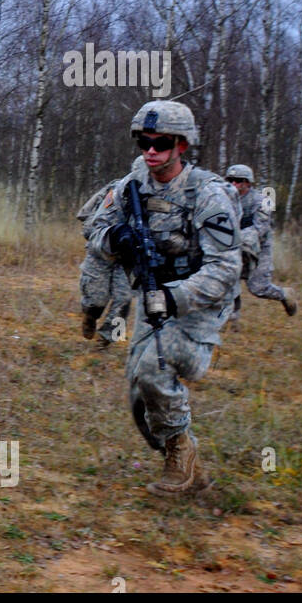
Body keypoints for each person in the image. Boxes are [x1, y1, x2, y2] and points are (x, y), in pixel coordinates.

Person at [86, 100, 241, 496]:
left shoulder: (208, 195)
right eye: (144, 141)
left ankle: (181, 458)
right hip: (151, 293)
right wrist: (116, 237)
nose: (150, 150)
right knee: (139, 391)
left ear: (182, 145)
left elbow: (224, 270)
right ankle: (187, 463)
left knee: (155, 372)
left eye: (161, 142)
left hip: (198, 302)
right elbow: (93, 226)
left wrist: (174, 299)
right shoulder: (129, 187)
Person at [77, 158, 144, 345]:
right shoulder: (117, 191)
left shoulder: (158, 198)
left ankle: (109, 339)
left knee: (124, 299)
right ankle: (90, 316)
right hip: (102, 252)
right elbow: (90, 224)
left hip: (128, 257)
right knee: (96, 299)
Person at [225, 164, 298, 319]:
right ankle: (232, 317)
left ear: (248, 182)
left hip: (258, 248)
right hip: (233, 247)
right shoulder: (223, 199)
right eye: (230, 180)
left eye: (238, 181)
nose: (233, 184)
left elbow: (261, 227)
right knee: (228, 278)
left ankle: (284, 294)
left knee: (258, 288)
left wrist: (234, 237)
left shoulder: (263, 200)